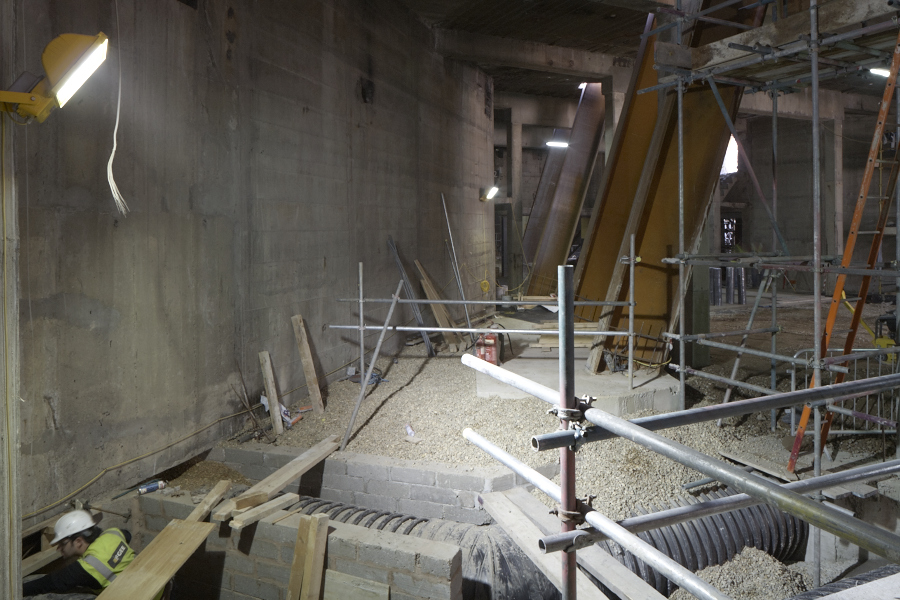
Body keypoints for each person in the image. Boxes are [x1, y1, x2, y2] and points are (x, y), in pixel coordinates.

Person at [23, 509, 141, 599]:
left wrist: (16, 590)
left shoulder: (87, 567)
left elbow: (50, 583)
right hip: (146, 584)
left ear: (79, 541)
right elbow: (127, 535)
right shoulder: (113, 533)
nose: (58, 548)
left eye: (63, 543)